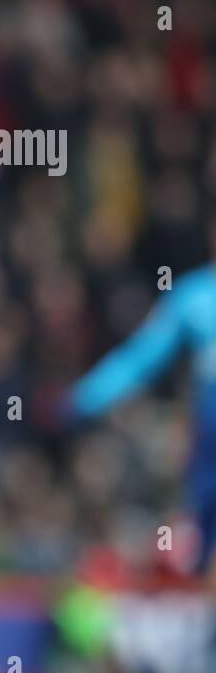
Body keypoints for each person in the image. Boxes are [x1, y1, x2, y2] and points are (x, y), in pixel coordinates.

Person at [66, 213, 216, 581]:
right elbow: (143, 355)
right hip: (209, 447)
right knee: (201, 538)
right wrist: (85, 398)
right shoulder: (195, 297)